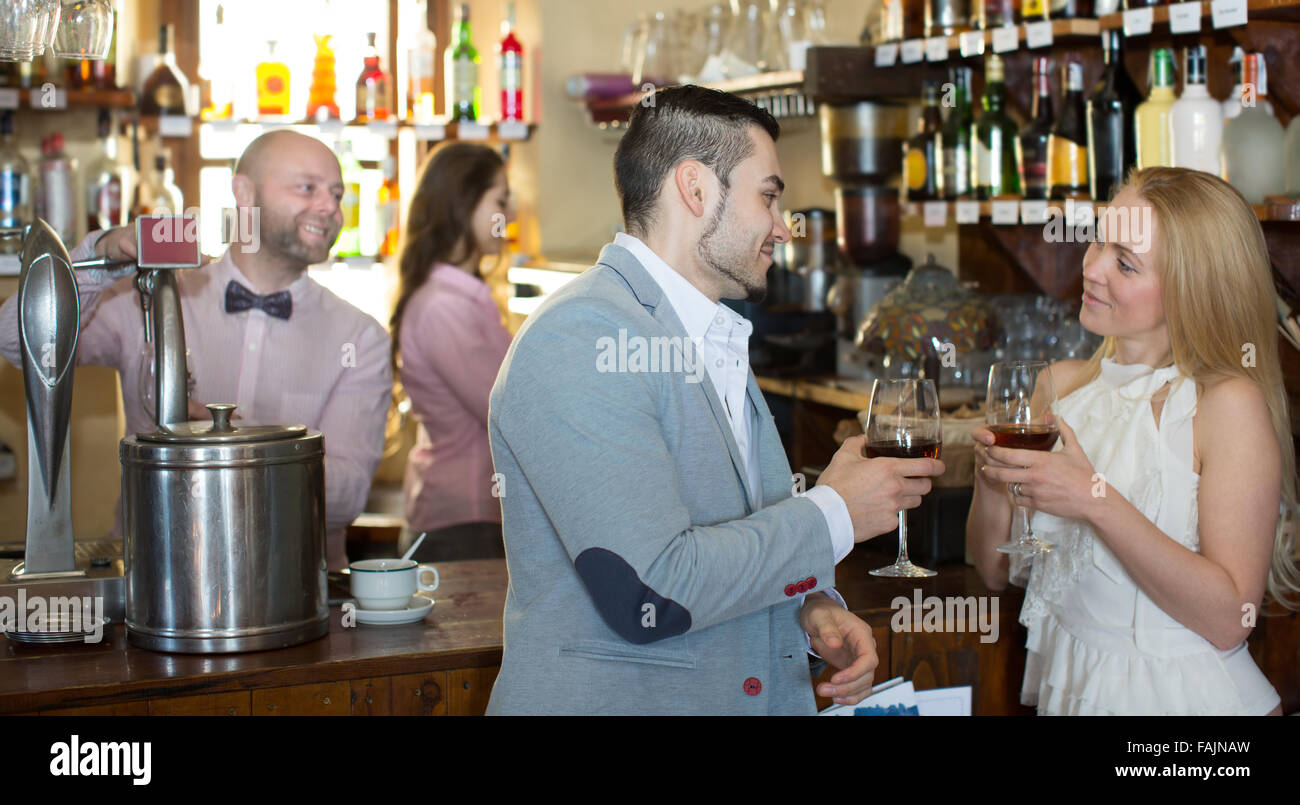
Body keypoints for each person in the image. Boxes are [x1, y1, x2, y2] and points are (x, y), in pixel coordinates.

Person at [484, 86, 945, 715]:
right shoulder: (586, 337)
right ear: (696, 189)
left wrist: (810, 608)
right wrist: (836, 514)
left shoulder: (708, 329)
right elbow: (653, 590)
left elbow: (737, 538)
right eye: (769, 196)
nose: (784, 228)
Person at [967, 167, 1297, 715]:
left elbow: (1228, 619)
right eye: (1098, 238)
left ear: (1191, 290)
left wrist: (1092, 499)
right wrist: (993, 477)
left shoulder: (1226, 405)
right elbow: (995, 569)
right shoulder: (1059, 386)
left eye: (1125, 262)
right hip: (1076, 693)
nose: (1091, 268)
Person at [0, 130, 393, 571]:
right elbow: (19, 343)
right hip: (152, 576)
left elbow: (346, 495)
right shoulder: (148, 293)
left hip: (294, 589)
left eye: (336, 194)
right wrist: (102, 254)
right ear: (244, 192)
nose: (330, 208)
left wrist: (223, 443)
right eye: (308, 188)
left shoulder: (360, 338)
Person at [390, 143, 513, 562]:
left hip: (466, 514)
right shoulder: (447, 307)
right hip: (465, 518)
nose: (509, 216)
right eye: (500, 200)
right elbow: (506, 410)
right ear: (464, 202)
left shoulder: (458, 298)